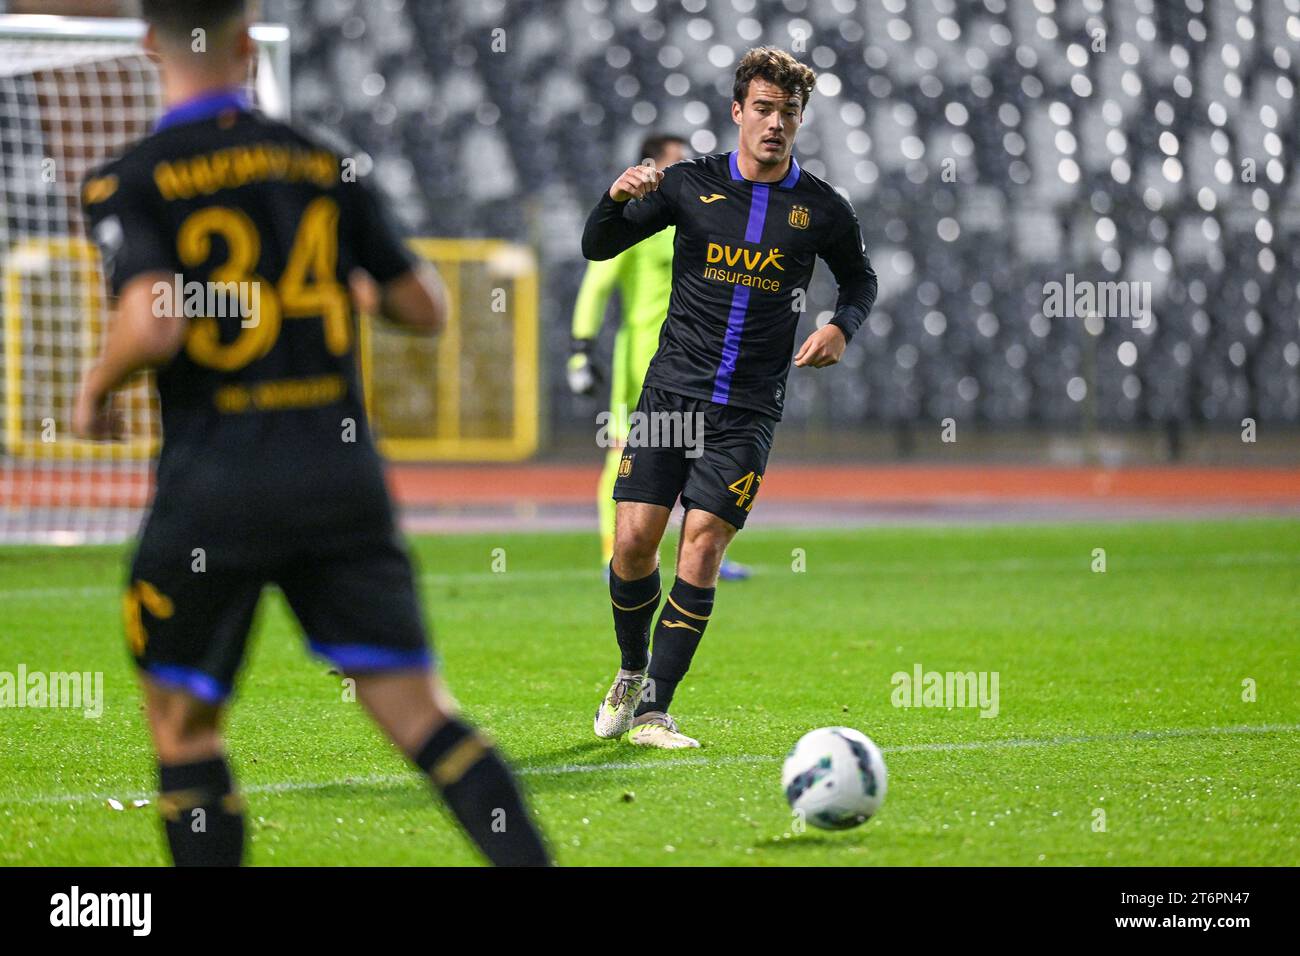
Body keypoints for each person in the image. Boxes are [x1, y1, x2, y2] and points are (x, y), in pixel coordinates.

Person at [74, 0, 549, 865]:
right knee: (421, 714)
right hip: (339, 479)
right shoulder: (326, 163)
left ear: (149, 42)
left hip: (216, 485)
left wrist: (96, 389)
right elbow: (424, 306)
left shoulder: (131, 178)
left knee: (184, 730)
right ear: (248, 42)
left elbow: (154, 322)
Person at [582, 47, 878, 748]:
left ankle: (655, 708)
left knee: (705, 543)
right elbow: (598, 246)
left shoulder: (823, 209)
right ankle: (631, 669)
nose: (776, 123)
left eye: (790, 112)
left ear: (800, 119)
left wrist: (841, 325)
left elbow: (860, 279)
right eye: (765, 109)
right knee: (631, 545)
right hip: (672, 396)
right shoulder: (688, 186)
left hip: (747, 409)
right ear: (739, 112)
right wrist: (616, 197)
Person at [567, 133, 750, 581]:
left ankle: (699, 552)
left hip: (697, 359)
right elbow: (597, 283)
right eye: (672, 163)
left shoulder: (696, 220)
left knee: (701, 452)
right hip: (640, 363)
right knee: (621, 451)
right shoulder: (639, 222)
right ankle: (616, 551)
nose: (683, 170)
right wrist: (581, 349)